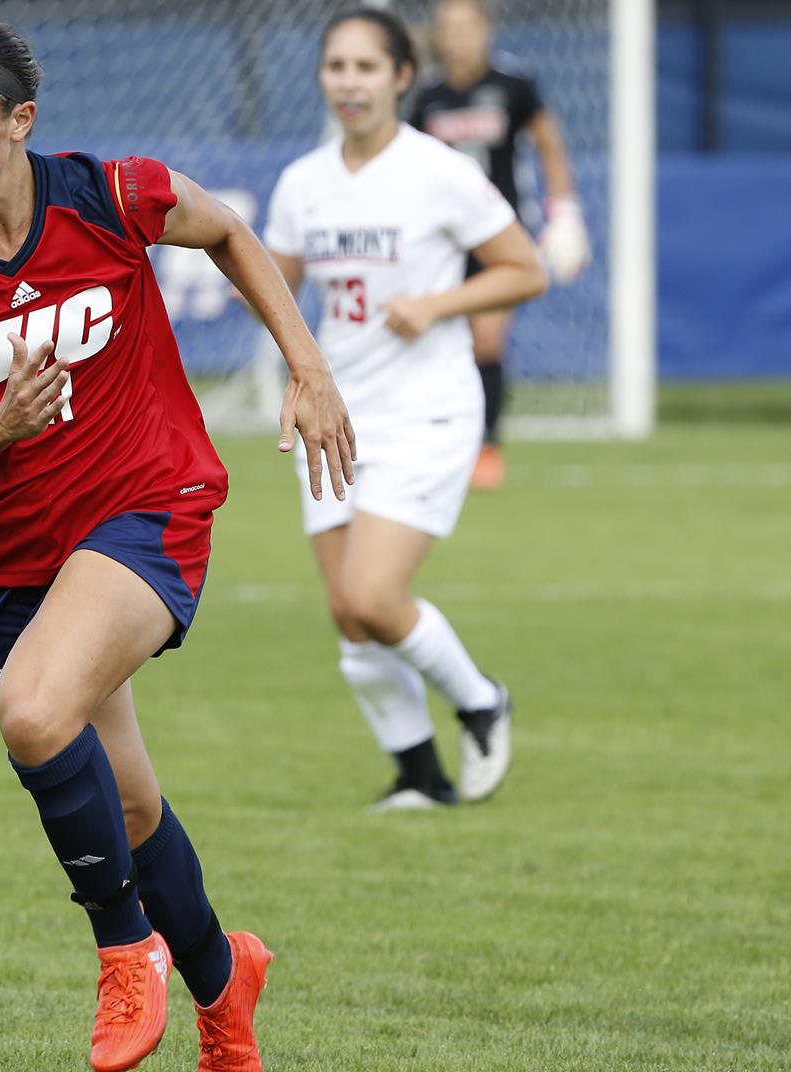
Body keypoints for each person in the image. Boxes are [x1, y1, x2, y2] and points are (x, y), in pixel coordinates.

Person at [0, 18, 354, 1072]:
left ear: (19, 124)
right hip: (13, 560)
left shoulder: (110, 195)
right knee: (122, 806)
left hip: (144, 507)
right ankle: (226, 984)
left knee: (33, 713)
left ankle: (125, 950)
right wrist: (0, 427)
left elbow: (227, 234)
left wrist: (304, 365)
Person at [263, 9, 544, 811]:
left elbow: (524, 270)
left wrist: (438, 303)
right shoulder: (303, 183)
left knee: (373, 597)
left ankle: (482, 699)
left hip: (425, 411)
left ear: (400, 78)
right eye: (336, 67)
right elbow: (271, 287)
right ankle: (419, 774)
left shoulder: (440, 171)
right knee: (348, 618)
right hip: (336, 419)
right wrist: (300, 365)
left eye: (365, 67)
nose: (349, 82)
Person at [410, 0, 589, 489]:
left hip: (498, 235)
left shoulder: (513, 85)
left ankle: (486, 445)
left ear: (486, 31)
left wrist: (565, 214)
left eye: (468, 27)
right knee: (436, 339)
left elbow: (550, 145)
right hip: (442, 239)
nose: (460, 38)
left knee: (486, 338)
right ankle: (435, 436)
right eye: (450, 28)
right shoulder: (427, 95)